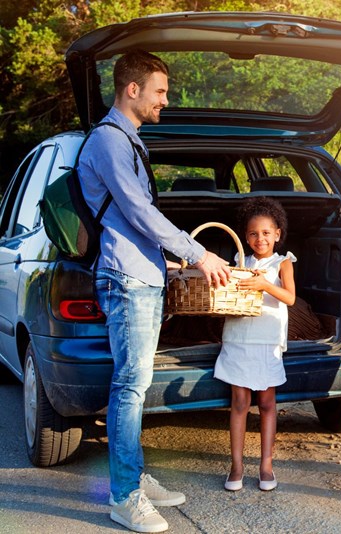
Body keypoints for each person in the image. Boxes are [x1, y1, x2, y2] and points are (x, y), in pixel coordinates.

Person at [78, 50, 231, 533]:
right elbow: (137, 211)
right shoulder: (109, 140)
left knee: (136, 385)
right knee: (130, 385)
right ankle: (124, 496)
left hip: (140, 273)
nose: (166, 100)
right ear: (132, 89)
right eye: (160, 91)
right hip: (125, 278)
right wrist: (197, 254)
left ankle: (134, 478)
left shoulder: (127, 139)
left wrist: (160, 259)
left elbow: (128, 218)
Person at [214, 197, 296, 492]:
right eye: (253, 233)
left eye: (266, 233)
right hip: (238, 339)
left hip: (266, 340)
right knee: (239, 403)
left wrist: (265, 285)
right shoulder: (240, 262)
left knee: (266, 403)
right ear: (245, 237)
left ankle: (266, 466)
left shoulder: (283, 262)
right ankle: (236, 466)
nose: (260, 239)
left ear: (277, 233)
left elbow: (290, 298)